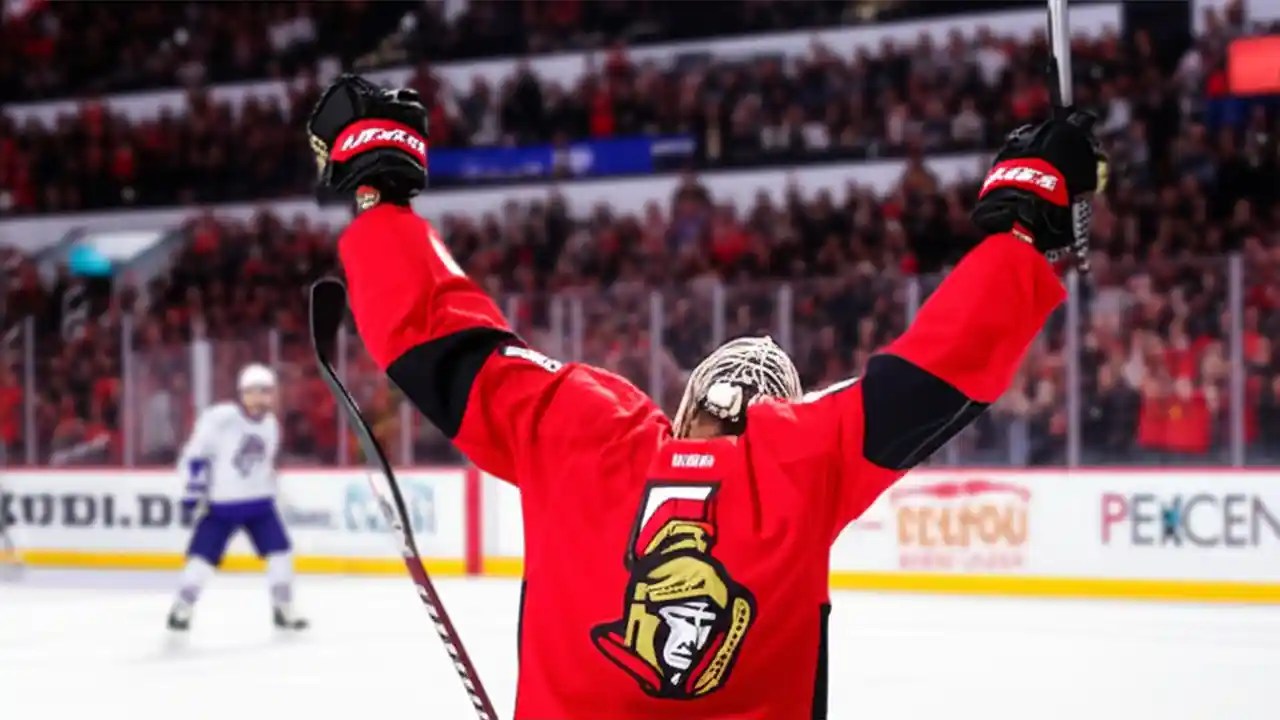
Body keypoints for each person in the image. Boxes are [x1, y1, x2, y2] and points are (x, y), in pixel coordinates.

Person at [307, 75, 1105, 718]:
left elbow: (438, 339)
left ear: (687, 400)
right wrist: (1025, 228)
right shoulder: (802, 455)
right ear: (777, 409)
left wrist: (379, 192)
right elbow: (938, 369)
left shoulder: (584, 426)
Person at [165, 363, 307, 632]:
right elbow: (196, 454)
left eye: (267, 391)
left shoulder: (271, 425)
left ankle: (283, 608)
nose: (262, 397)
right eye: (256, 391)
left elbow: (265, 464)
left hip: (260, 503)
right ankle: (182, 608)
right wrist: (192, 491)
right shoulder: (222, 418)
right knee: (202, 558)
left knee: (280, 554)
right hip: (223, 504)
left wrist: (277, 491)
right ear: (243, 392)